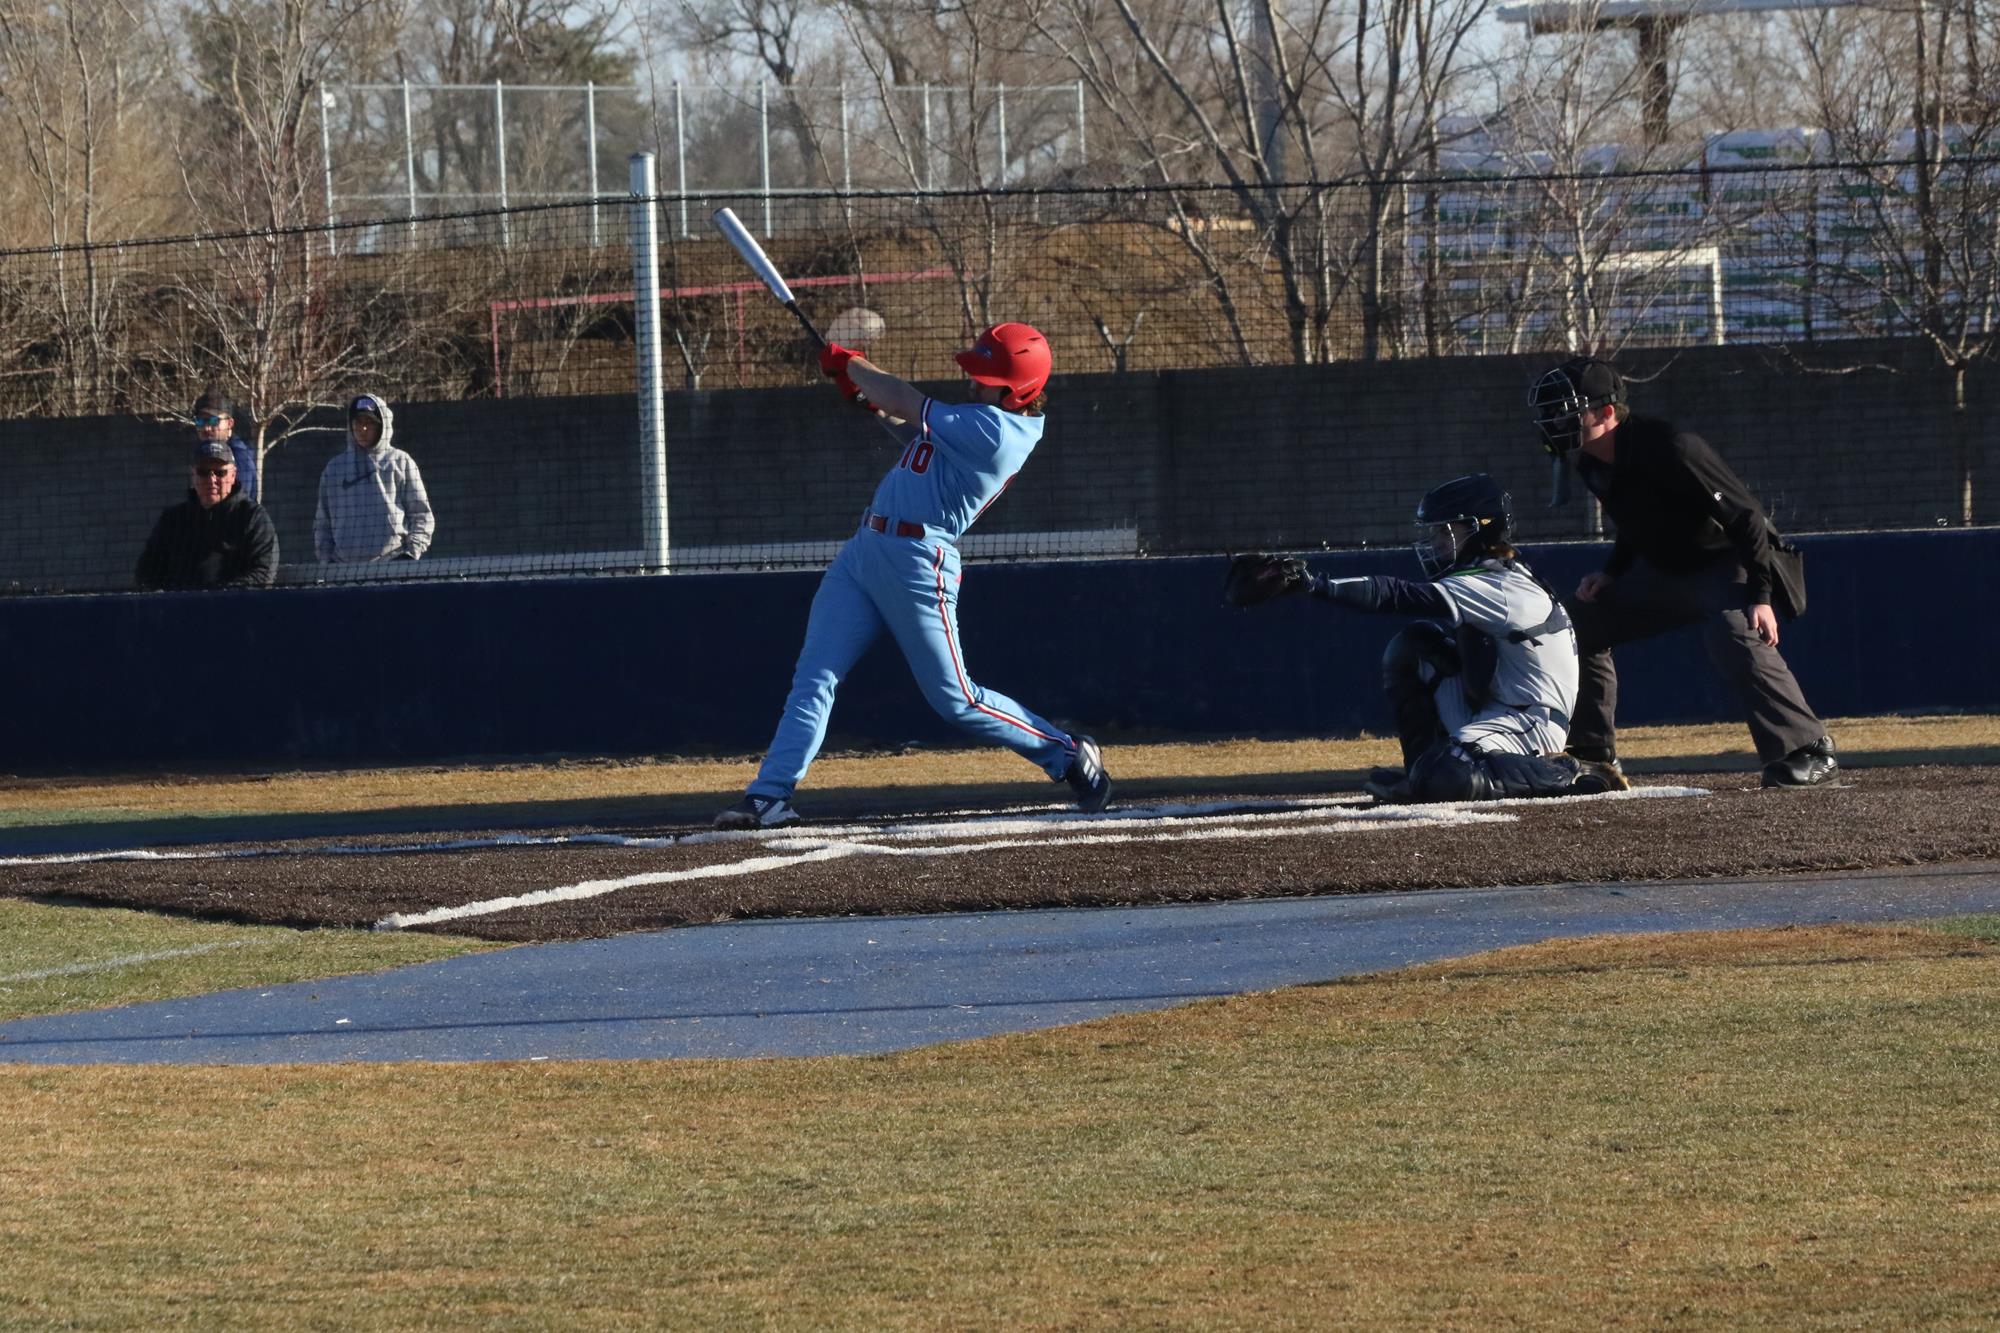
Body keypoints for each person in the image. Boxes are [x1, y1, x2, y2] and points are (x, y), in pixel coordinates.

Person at [713, 322, 1112, 830]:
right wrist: (869, 400)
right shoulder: (977, 419)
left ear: (1018, 390)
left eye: (987, 376)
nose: (973, 380)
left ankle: (1066, 752)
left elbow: (907, 398)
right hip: (865, 551)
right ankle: (769, 795)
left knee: (957, 700)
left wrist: (851, 363)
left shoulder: (998, 432)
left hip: (919, 561)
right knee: (814, 677)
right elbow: (913, 429)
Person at [1530, 356, 1837, 788]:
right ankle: (1593, 753)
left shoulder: (1672, 446)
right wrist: (1612, 573)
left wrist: (1760, 596)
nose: (1556, 420)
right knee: (1578, 622)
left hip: (1724, 564)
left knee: (1733, 633)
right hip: (1666, 572)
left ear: (1606, 412)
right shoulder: (1590, 461)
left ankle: (1807, 749)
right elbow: (1636, 522)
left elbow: (1746, 517)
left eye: (1569, 409)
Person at [1225, 474, 1612, 803]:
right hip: (1496, 706)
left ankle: (1562, 771)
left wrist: (1312, 584)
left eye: (1447, 531)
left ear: (1480, 528)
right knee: (1415, 647)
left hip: (1530, 720)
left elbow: (1399, 595)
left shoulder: (1503, 583)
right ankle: (1423, 770)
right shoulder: (1489, 574)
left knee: (1447, 775)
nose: (1437, 542)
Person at [135, 439, 279, 590]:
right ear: (193, 475)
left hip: (235, 607)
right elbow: (146, 573)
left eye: (220, 472)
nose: (211, 479)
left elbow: (263, 573)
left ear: (233, 475)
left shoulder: (253, 517)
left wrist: (220, 597)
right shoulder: (173, 520)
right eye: (203, 472)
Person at [313, 393, 435, 563]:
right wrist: (328, 561)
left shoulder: (401, 462)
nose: (363, 429)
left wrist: (409, 555)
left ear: (382, 426)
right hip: (343, 574)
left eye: (369, 423)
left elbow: (422, 515)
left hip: (391, 569)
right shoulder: (334, 469)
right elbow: (322, 524)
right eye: (358, 423)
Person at [191, 389, 258, 501]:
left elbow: (238, 505)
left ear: (229, 423)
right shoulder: (202, 454)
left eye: (213, 421)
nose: (206, 428)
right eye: (201, 421)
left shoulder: (240, 457)